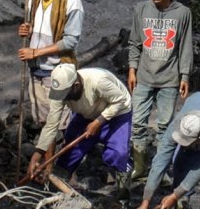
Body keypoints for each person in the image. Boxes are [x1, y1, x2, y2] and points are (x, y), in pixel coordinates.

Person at [127, 0, 194, 186]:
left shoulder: (182, 13)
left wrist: (185, 76)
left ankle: (160, 169)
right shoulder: (141, 10)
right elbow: (135, 42)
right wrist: (132, 68)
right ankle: (139, 167)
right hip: (144, 77)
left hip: (169, 79)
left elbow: (185, 47)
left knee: (165, 125)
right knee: (137, 122)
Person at [27, 64, 132, 192]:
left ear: (76, 85)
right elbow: (51, 125)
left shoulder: (98, 81)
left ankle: (123, 193)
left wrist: (98, 121)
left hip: (117, 112)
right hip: (87, 113)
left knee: (118, 154)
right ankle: (57, 187)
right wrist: (37, 155)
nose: (63, 98)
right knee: (70, 149)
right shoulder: (60, 91)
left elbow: (121, 100)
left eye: (66, 94)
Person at [16, 0, 83, 126]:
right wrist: (27, 30)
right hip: (35, 70)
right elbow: (37, 27)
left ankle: (64, 153)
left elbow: (70, 41)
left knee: (60, 123)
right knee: (43, 122)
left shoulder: (71, 1)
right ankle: (48, 153)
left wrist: (35, 52)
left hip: (57, 70)